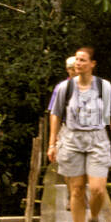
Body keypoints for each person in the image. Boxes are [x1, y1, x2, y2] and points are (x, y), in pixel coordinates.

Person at [47, 46, 111, 222]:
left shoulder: (103, 86)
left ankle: (94, 218)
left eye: (82, 60)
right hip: (72, 140)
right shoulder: (65, 87)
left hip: (97, 139)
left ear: (92, 64)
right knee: (77, 189)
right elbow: (55, 115)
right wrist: (52, 143)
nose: (78, 64)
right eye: (76, 60)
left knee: (98, 189)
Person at [45, 56, 78, 211]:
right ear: (67, 70)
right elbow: (54, 114)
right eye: (72, 68)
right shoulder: (61, 88)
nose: (75, 72)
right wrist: (53, 140)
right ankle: (72, 196)